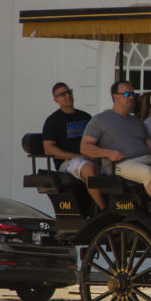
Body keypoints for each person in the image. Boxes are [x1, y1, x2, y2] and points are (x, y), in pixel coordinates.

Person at [80, 80, 151, 218]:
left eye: (132, 94)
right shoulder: (100, 119)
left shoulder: (137, 121)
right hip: (120, 164)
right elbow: (84, 147)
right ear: (114, 97)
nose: (131, 97)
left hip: (145, 158)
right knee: (147, 172)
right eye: (126, 94)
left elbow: (150, 147)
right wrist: (108, 153)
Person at [41, 82, 105, 211]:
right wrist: (77, 156)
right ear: (56, 100)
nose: (67, 96)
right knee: (90, 169)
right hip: (67, 162)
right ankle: (104, 209)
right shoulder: (52, 121)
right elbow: (49, 149)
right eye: (62, 94)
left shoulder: (85, 117)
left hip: (89, 156)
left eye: (69, 92)